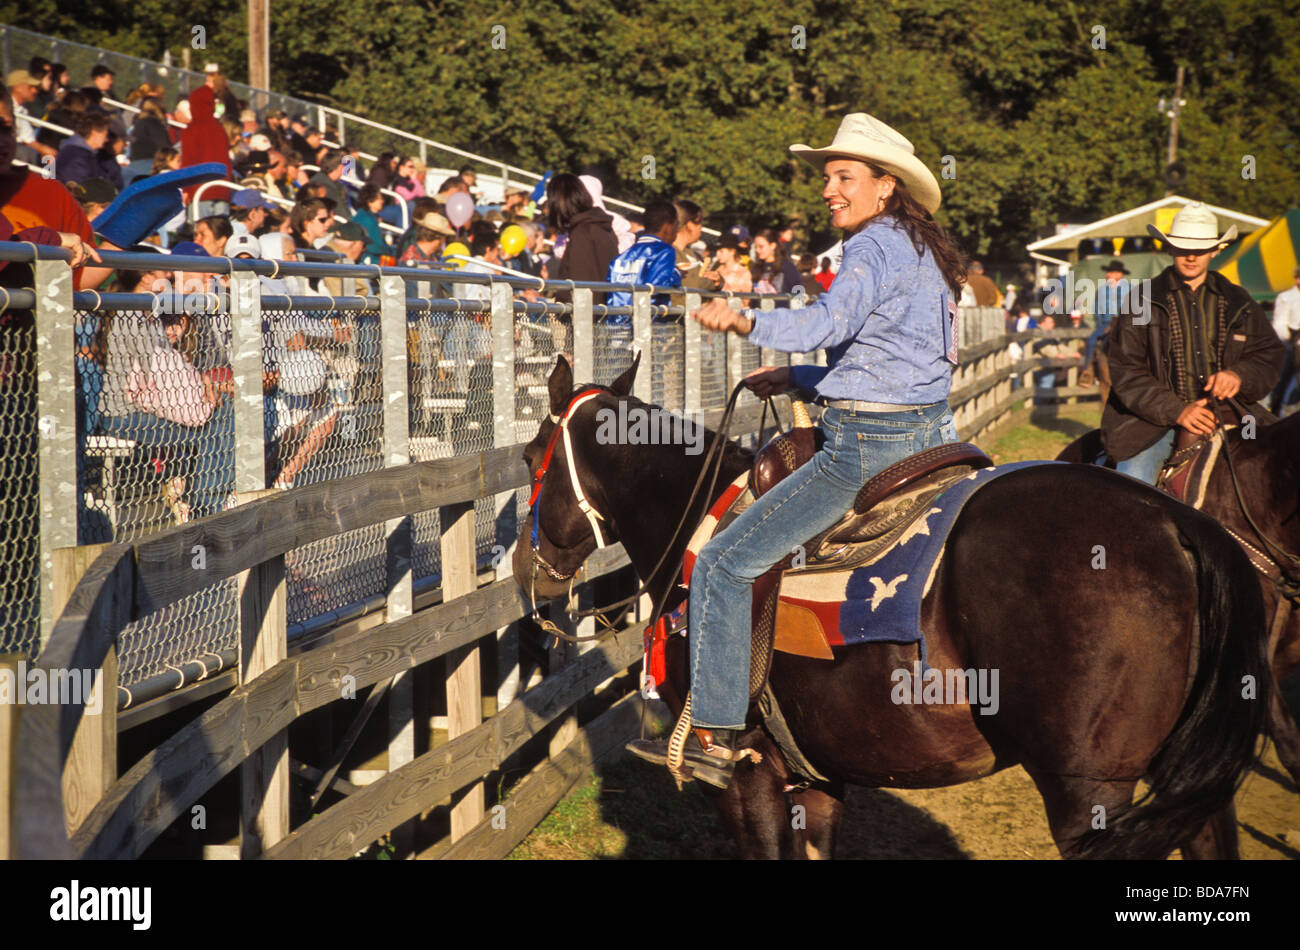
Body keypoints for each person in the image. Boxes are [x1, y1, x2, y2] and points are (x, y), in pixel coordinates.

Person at [627, 112, 964, 788]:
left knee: (724, 560)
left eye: (844, 177)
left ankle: (719, 731)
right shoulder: (919, 248)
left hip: (866, 448)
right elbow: (894, 356)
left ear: (884, 186)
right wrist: (805, 377)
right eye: (827, 177)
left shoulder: (870, 247)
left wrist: (747, 318)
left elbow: (827, 321)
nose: (828, 189)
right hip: (934, 435)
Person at [1100, 203, 1285, 484]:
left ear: (1215, 250)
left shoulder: (1239, 300)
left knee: (1283, 468)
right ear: (1170, 248)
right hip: (1151, 423)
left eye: (1199, 249)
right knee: (1134, 485)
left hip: (1233, 413)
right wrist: (1178, 410)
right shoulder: (1141, 300)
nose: (1191, 256)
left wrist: (1239, 375)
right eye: (1183, 248)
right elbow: (1127, 369)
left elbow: (1268, 353)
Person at [546, 172, 618, 303]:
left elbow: (582, 286)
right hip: (601, 313)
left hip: (584, 317)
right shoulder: (601, 226)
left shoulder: (583, 233)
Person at [180, 85, 234, 216]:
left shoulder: (191, 129)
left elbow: (189, 162)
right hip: (222, 189)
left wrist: (186, 189)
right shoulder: (219, 129)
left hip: (200, 190)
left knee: (201, 231)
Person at [1083, 259, 1129, 375]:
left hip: (1123, 324)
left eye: (1111, 272)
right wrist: (1101, 324)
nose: (1107, 274)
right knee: (1091, 341)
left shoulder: (1128, 289)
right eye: (1108, 272)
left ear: (1119, 274)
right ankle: (1088, 371)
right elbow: (1097, 310)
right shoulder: (1102, 290)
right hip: (1105, 323)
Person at [1268, 265, 1300, 412]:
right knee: (1283, 383)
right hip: (1291, 345)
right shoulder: (1286, 298)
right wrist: (1292, 340)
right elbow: (1279, 325)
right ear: (1297, 279)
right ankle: (1277, 411)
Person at [126, 96, 171, 183]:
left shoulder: (139, 122)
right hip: (148, 164)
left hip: (135, 164)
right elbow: (163, 146)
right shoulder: (153, 123)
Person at [749, 226, 803, 297]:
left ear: (773, 246)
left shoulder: (787, 267)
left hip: (782, 307)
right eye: (756, 247)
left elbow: (798, 292)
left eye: (761, 247)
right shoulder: (756, 268)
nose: (757, 250)